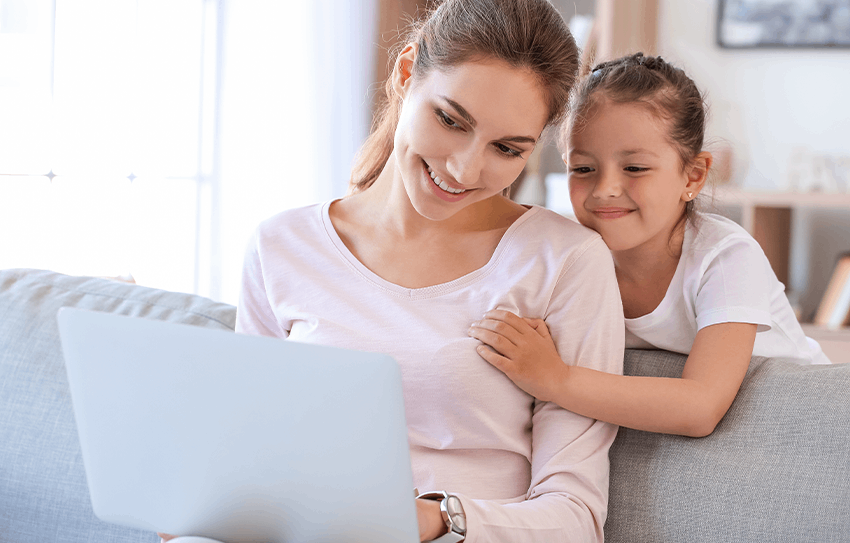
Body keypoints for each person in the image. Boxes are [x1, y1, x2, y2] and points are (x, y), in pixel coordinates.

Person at [161, 1, 625, 542]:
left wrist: (437, 518)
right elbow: (253, 452)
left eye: (506, 148)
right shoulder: (281, 245)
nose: (464, 169)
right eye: (451, 121)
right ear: (406, 72)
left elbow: (577, 518)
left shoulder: (565, 261)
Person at [469, 52, 830, 441]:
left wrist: (557, 379)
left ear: (693, 175)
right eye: (583, 168)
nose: (605, 189)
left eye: (635, 168)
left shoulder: (724, 257)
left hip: (810, 427)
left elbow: (700, 407)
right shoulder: (574, 255)